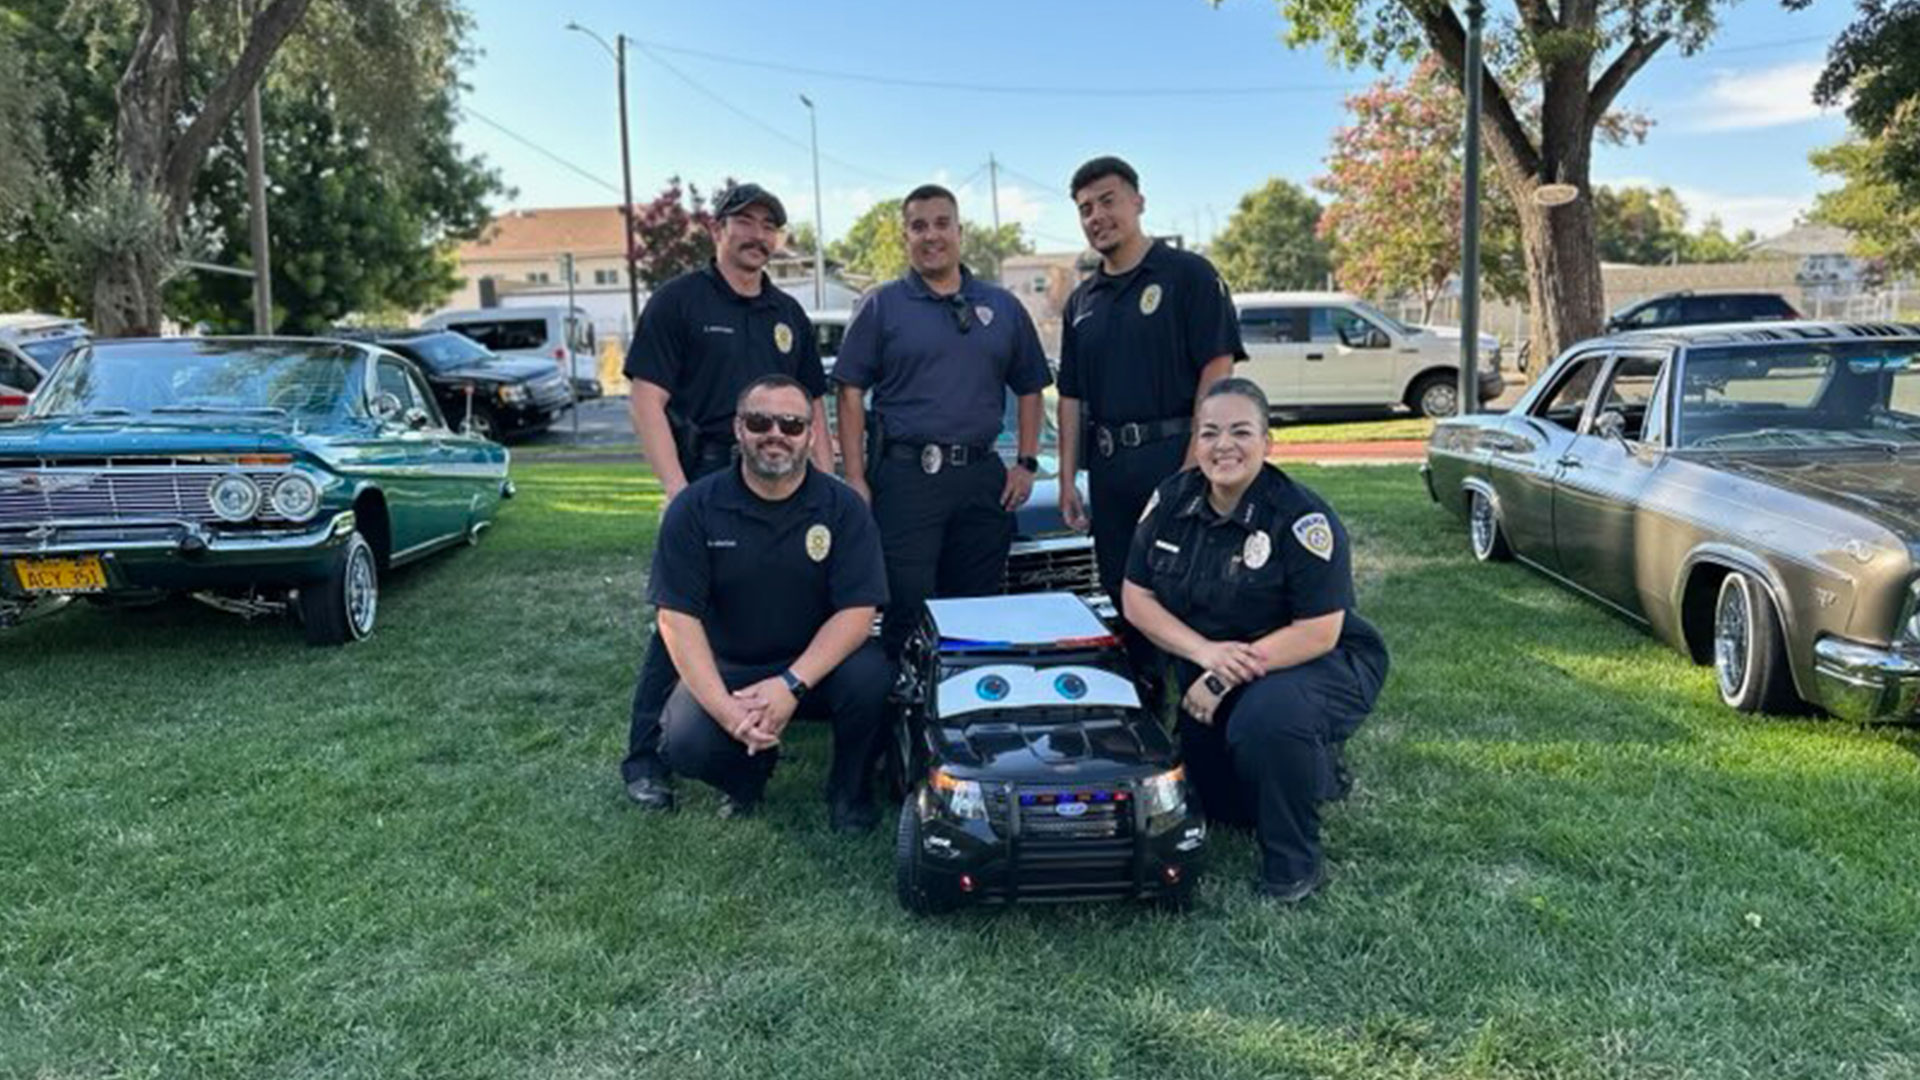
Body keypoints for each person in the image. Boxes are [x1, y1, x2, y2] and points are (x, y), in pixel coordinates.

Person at [1121, 378, 1389, 901]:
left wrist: (1218, 678)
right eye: (1209, 433)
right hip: (1221, 661)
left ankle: (1294, 866)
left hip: (1315, 661)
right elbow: (1137, 597)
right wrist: (1205, 654)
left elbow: (1319, 631)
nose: (1224, 445)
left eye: (1241, 432)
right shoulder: (1171, 500)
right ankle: (1316, 771)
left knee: (1265, 723)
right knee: (1224, 804)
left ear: (1268, 442)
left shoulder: (1301, 518)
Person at [621, 182, 835, 810]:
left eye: (770, 226)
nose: (758, 235)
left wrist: (829, 486)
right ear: (718, 229)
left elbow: (813, 407)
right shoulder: (679, 301)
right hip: (707, 472)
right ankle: (645, 758)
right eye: (746, 221)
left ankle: (756, 736)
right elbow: (646, 400)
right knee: (681, 615)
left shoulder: (787, 314)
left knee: (777, 603)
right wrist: (676, 490)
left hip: (782, 477)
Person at [647, 375, 893, 831]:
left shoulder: (843, 507)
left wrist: (790, 685)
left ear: (811, 435)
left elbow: (859, 613)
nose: (775, 434)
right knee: (684, 743)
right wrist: (726, 711)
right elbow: (676, 619)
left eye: (791, 424)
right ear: (738, 429)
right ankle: (747, 777)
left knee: (873, 676)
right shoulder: (695, 508)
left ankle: (849, 790)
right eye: (760, 422)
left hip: (817, 668)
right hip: (731, 668)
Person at [832, 183, 1052, 657]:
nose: (931, 235)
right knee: (906, 607)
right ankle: (901, 700)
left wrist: (1026, 462)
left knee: (977, 610)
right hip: (905, 480)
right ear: (905, 237)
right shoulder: (881, 304)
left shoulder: (1004, 307)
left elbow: (1031, 385)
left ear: (959, 231)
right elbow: (849, 391)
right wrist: (855, 477)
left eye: (941, 224)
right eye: (918, 226)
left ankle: (966, 696)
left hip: (982, 478)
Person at [1054, 155, 1245, 650]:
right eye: (1085, 208)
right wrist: (1068, 478)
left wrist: (1197, 461)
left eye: (1108, 201)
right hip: (1109, 468)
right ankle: (1144, 686)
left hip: (1174, 456)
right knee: (1122, 586)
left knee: (1185, 585)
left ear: (1138, 202)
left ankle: (1201, 683)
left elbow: (1217, 369)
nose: (1097, 216)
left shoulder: (1189, 275)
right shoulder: (1082, 301)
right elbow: (1070, 395)